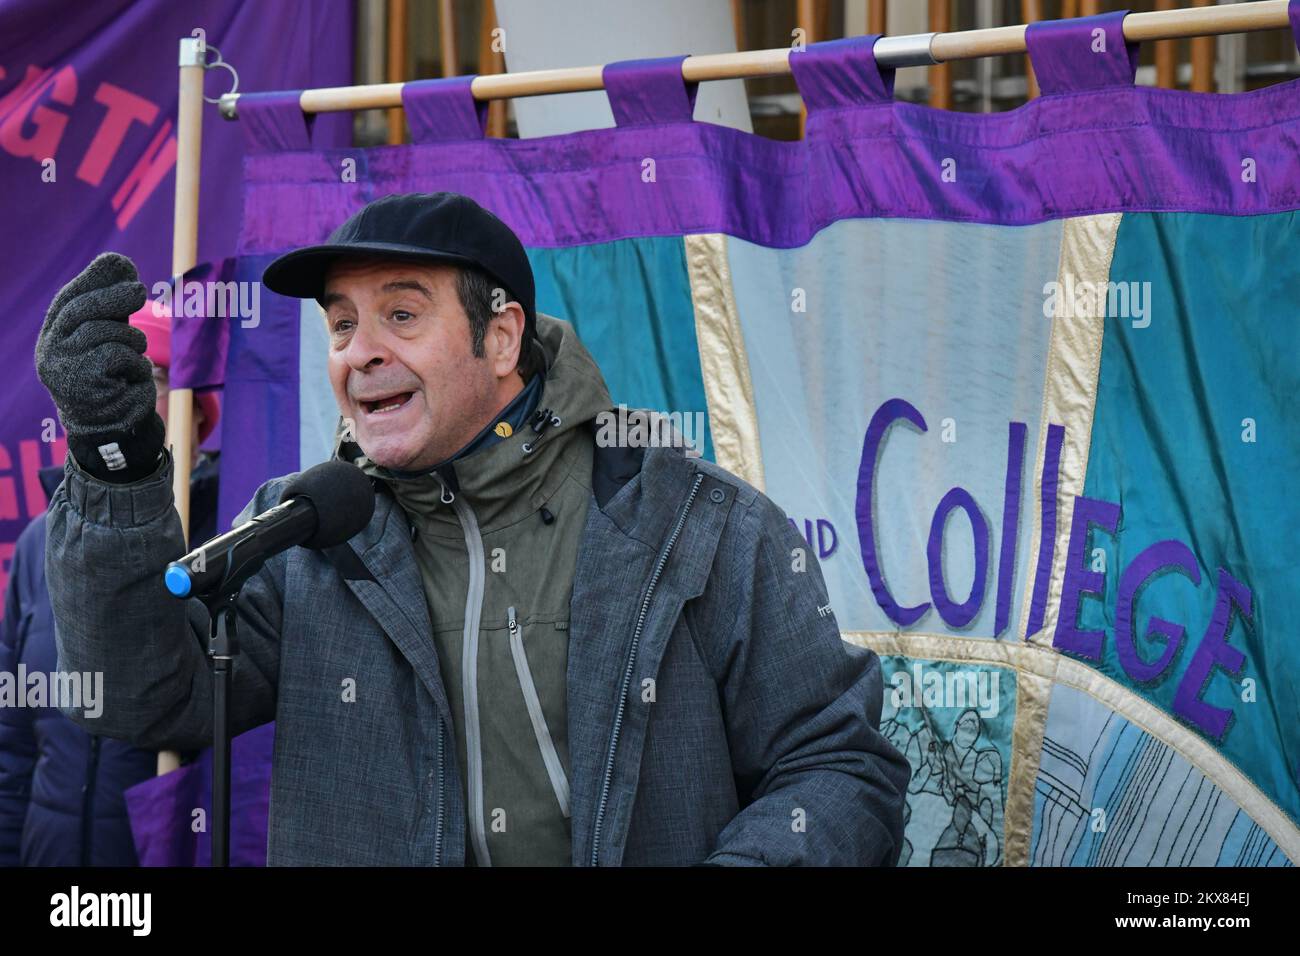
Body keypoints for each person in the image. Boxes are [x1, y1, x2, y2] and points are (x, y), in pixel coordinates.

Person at [36, 192, 910, 866]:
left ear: (500, 339)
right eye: (341, 324)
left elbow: (841, 770)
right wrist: (113, 460)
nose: (359, 351)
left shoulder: (699, 519)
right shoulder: (304, 534)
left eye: (401, 315)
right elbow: (142, 693)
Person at [0, 300, 219, 866]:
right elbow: (14, 738)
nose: (129, 400)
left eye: (151, 379)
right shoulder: (39, 546)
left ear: (199, 417)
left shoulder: (233, 542)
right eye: (109, 382)